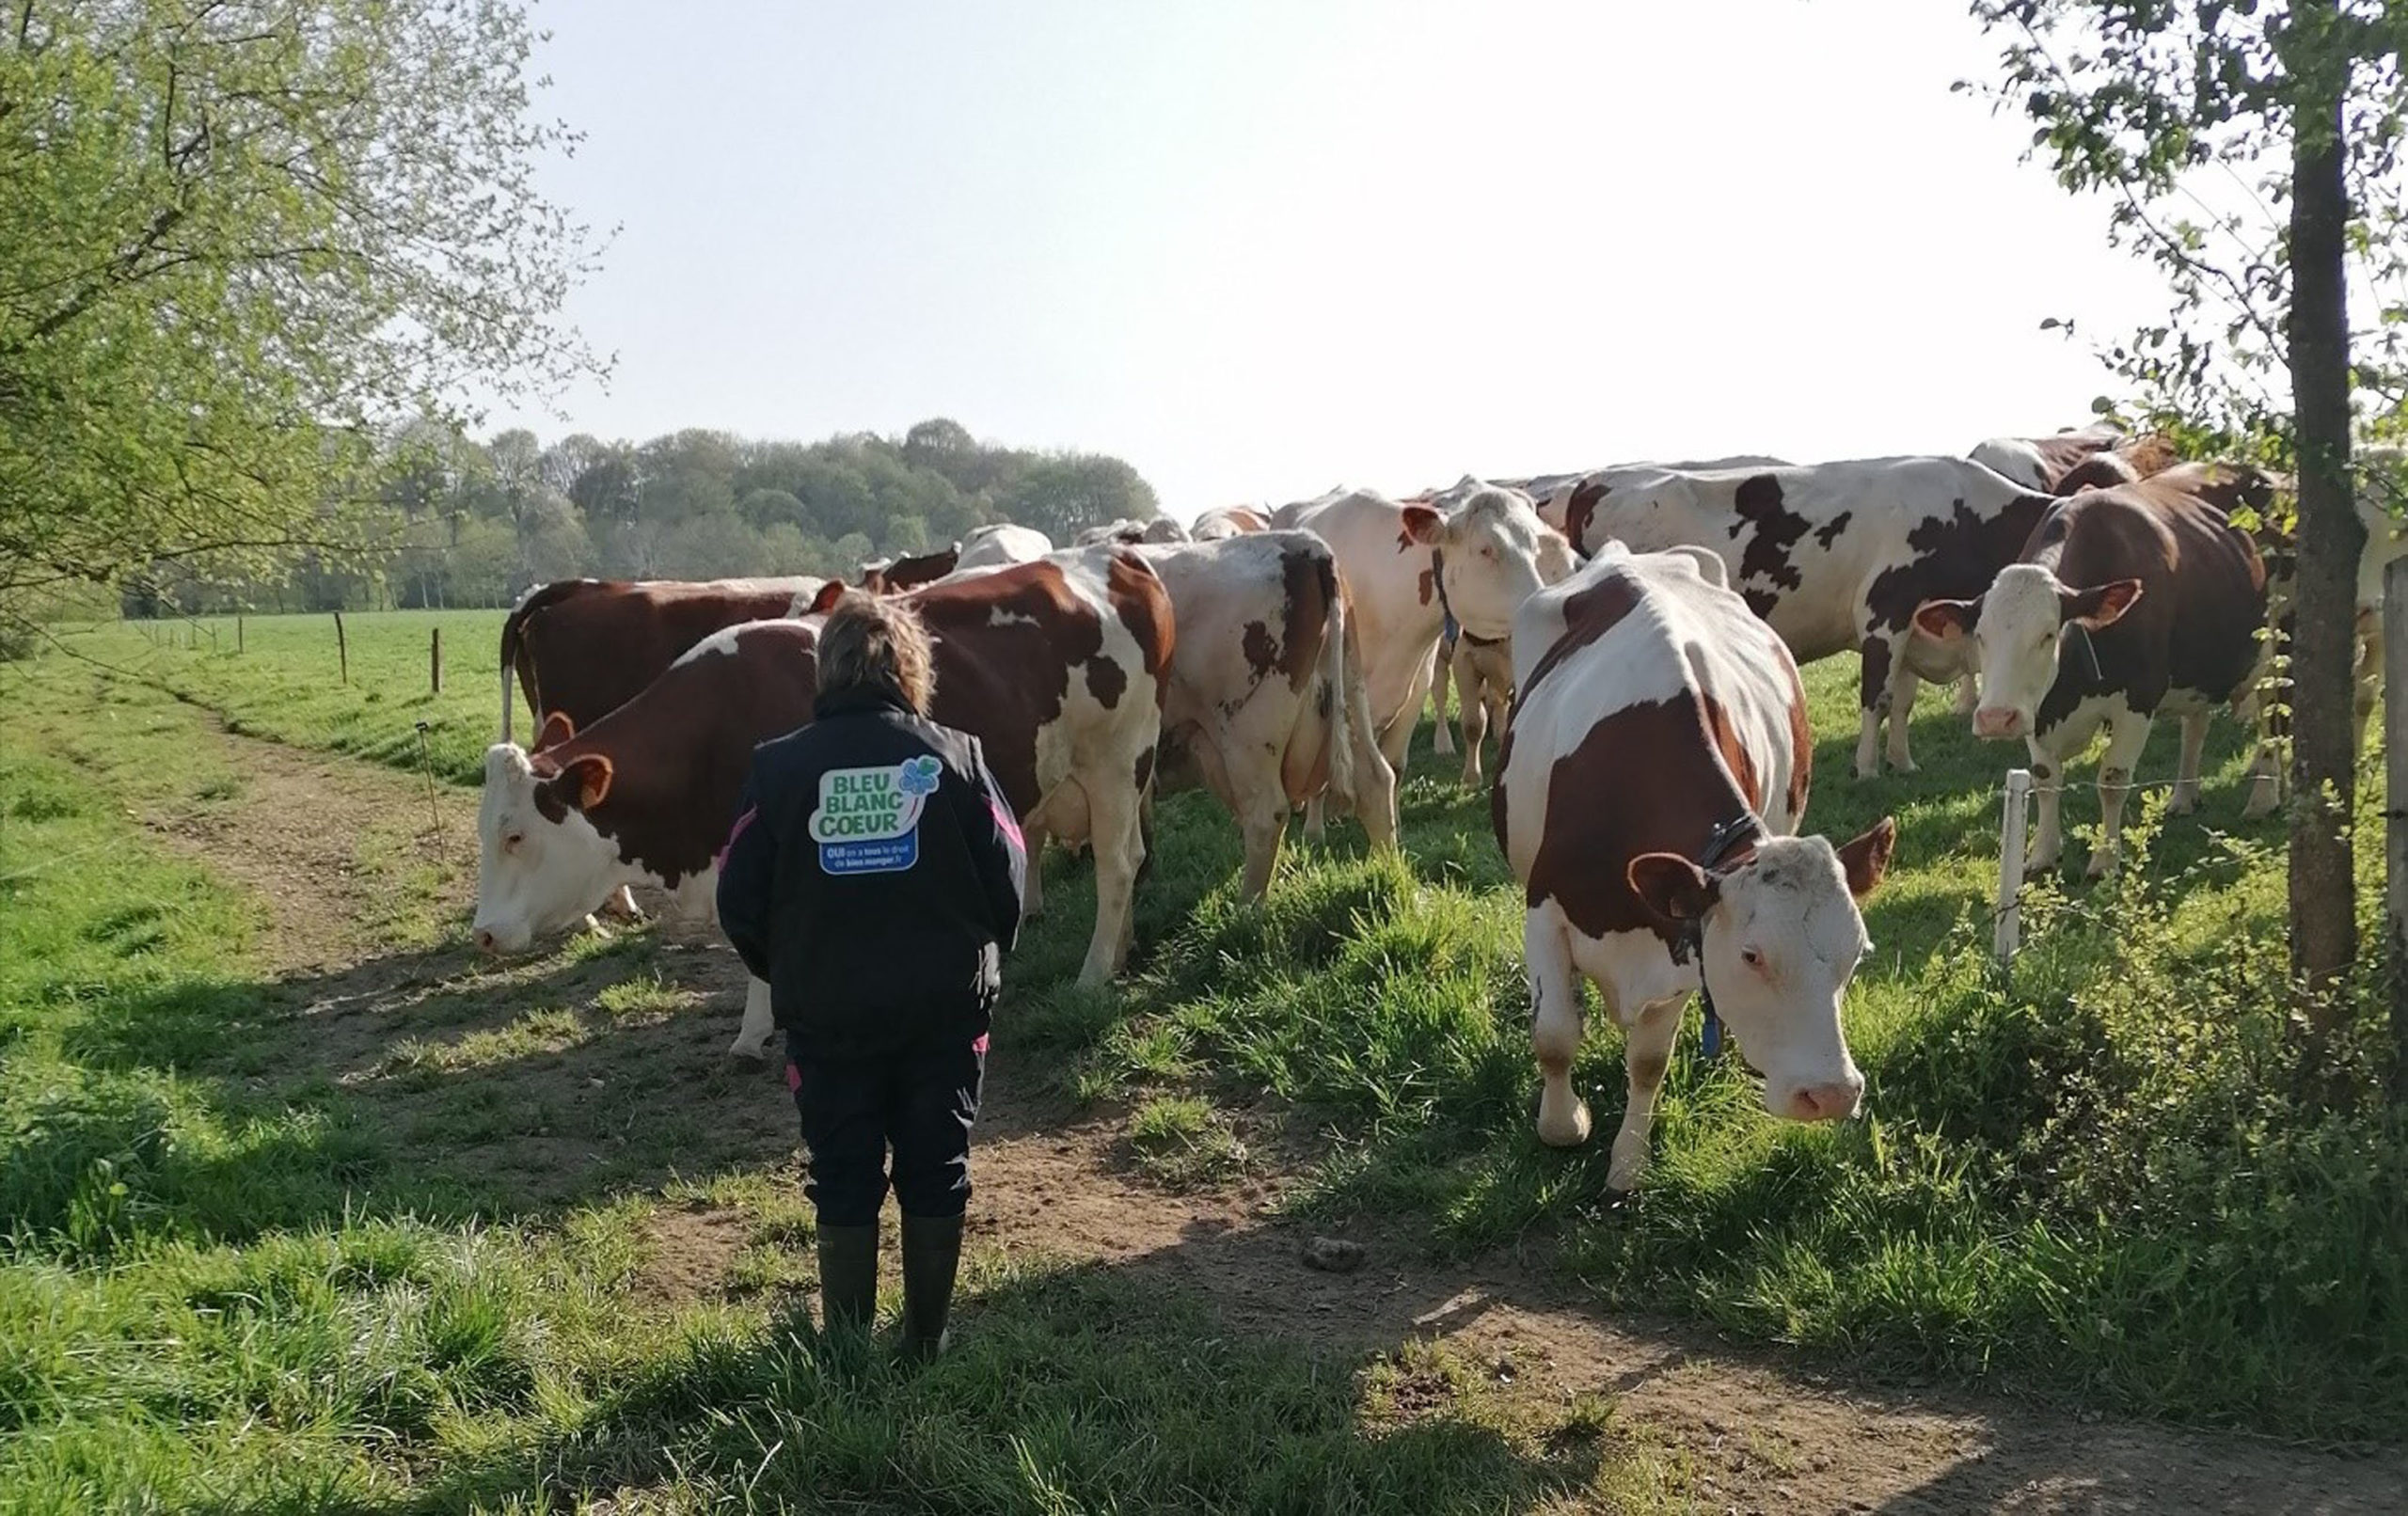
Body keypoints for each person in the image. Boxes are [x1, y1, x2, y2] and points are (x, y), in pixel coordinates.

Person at [717, 591, 1025, 1359]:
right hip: (943, 1014)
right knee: (937, 1165)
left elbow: (737, 895)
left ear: (825, 670)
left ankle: (848, 1349)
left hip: (826, 1018)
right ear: (914, 670)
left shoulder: (778, 768)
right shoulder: (958, 757)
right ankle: (928, 1341)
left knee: (842, 1172)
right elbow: (1009, 874)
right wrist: (983, 961)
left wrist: (785, 969)